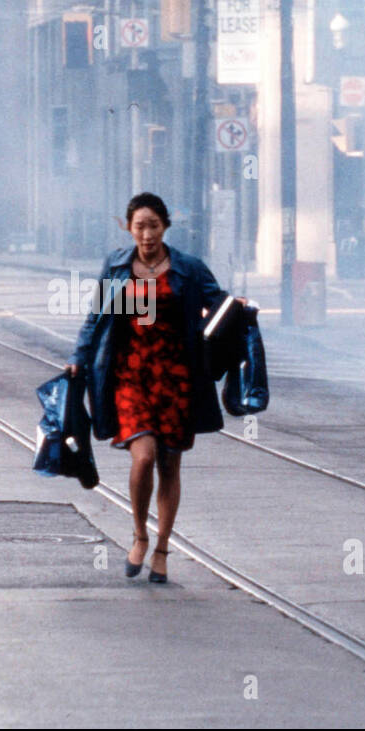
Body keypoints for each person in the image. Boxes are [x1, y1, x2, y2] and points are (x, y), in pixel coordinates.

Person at [65, 193, 242, 583]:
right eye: (139, 226)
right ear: (128, 228)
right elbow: (97, 319)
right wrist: (79, 357)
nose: (146, 234)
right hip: (129, 376)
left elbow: (220, 307)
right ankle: (140, 536)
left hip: (176, 378)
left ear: (165, 227)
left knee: (169, 463)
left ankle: (162, 548)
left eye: (153, 225)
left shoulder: (189, 269)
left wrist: (238, 308)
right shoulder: (116, 268)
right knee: (143, 456)